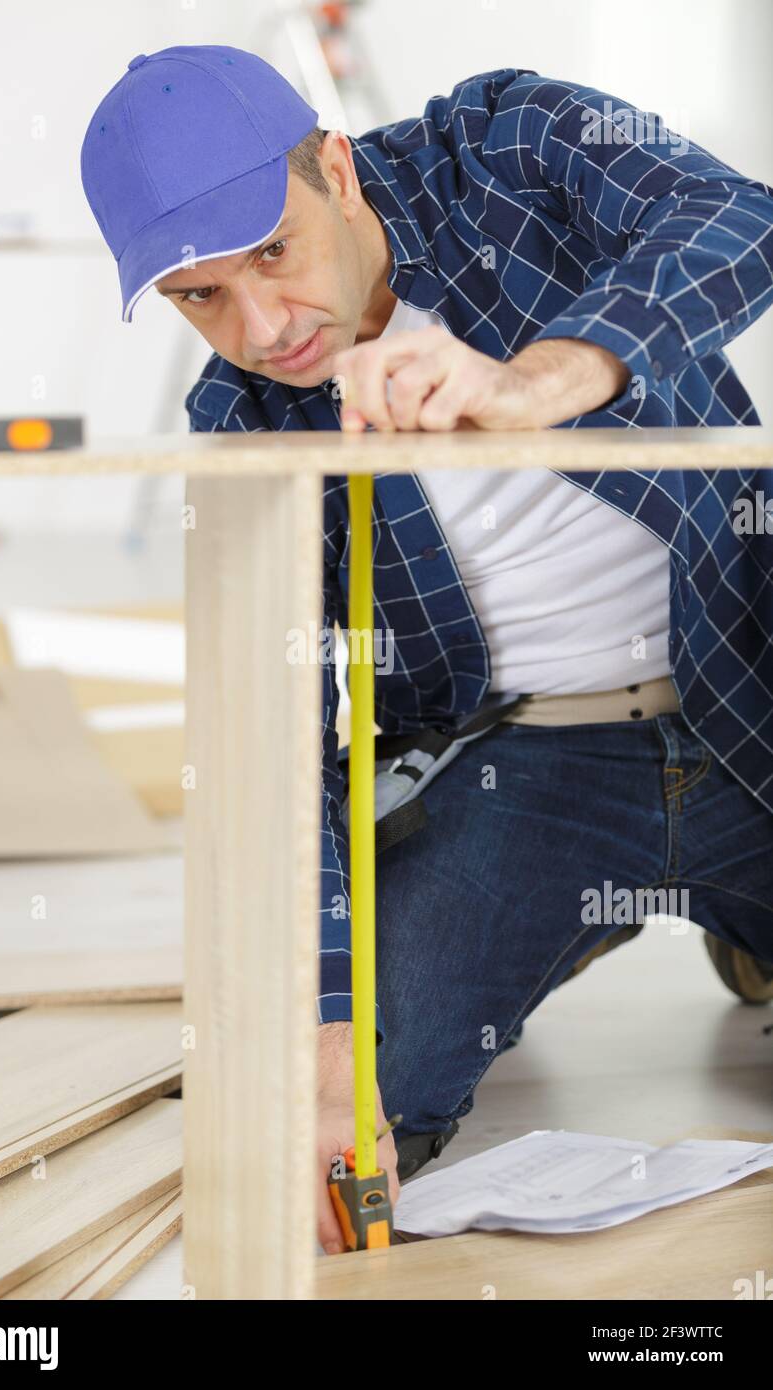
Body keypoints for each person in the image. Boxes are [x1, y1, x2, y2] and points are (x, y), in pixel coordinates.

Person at [81, 46, 773, 1256]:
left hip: (746, 690)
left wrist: (532, 381)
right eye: (200, 297)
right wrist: (323, 1043)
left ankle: (725, 912)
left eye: (271, 256)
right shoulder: (239, 425)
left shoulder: (503, 145)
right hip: (539, 774)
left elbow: (737, 216)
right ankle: (576, 907)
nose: (260, 327)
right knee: (336, 1127)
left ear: (335, 170)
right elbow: (288, 764)